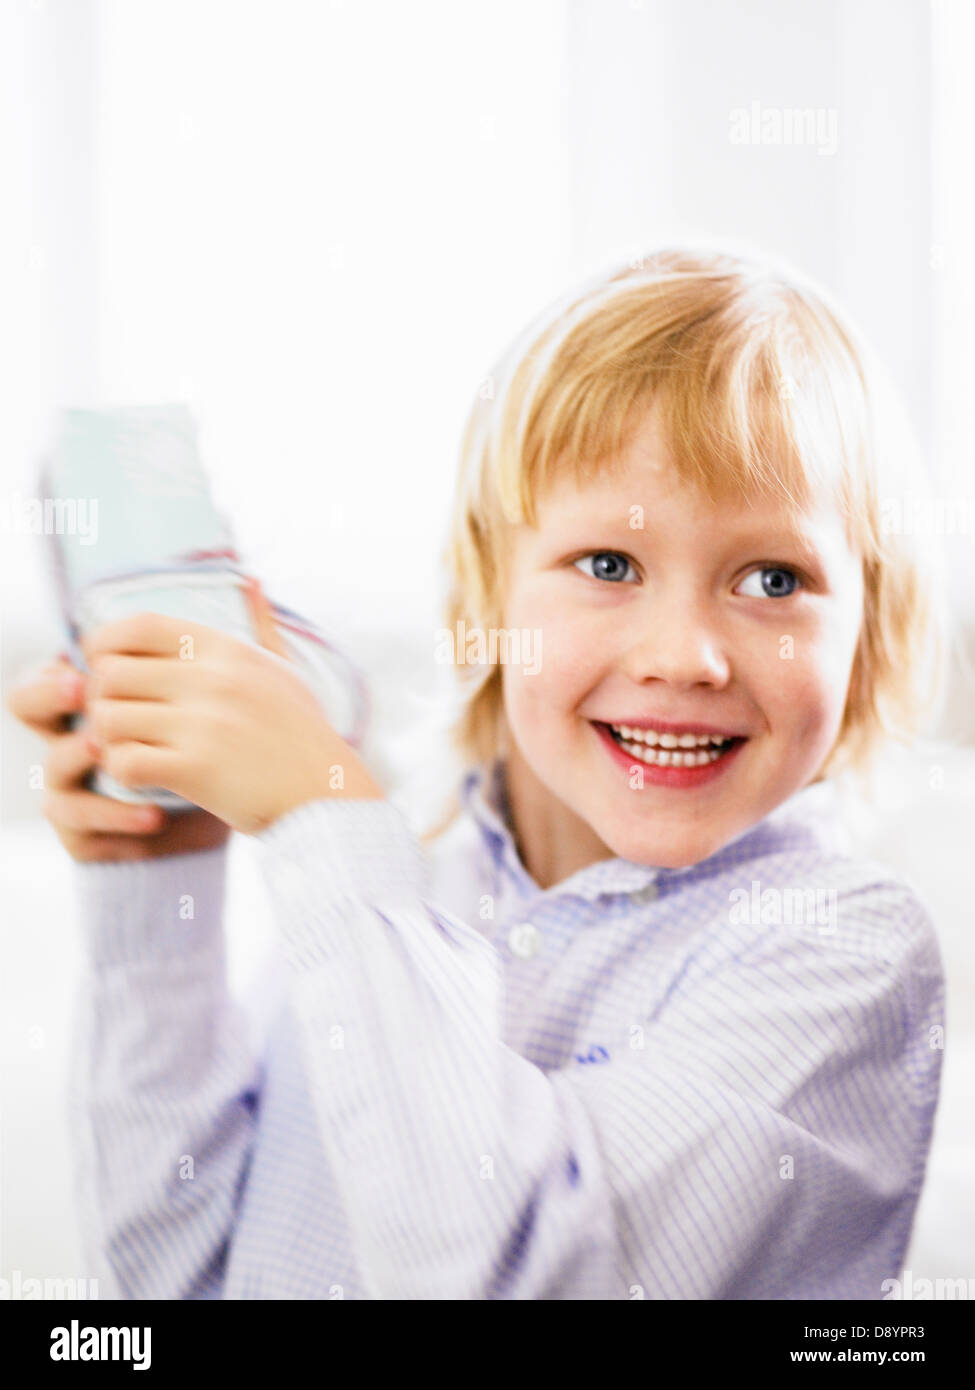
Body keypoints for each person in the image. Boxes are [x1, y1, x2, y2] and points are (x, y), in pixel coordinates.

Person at [7, 245, 950, 1299]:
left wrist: (324, 823)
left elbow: (506, 1280)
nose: (685, 655)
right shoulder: (400, 884)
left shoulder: (845, 954)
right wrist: (161, 887)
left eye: (774, 577)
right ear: (487, 605)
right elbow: (175, 1280)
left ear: (870, 637)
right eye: (609, 565)